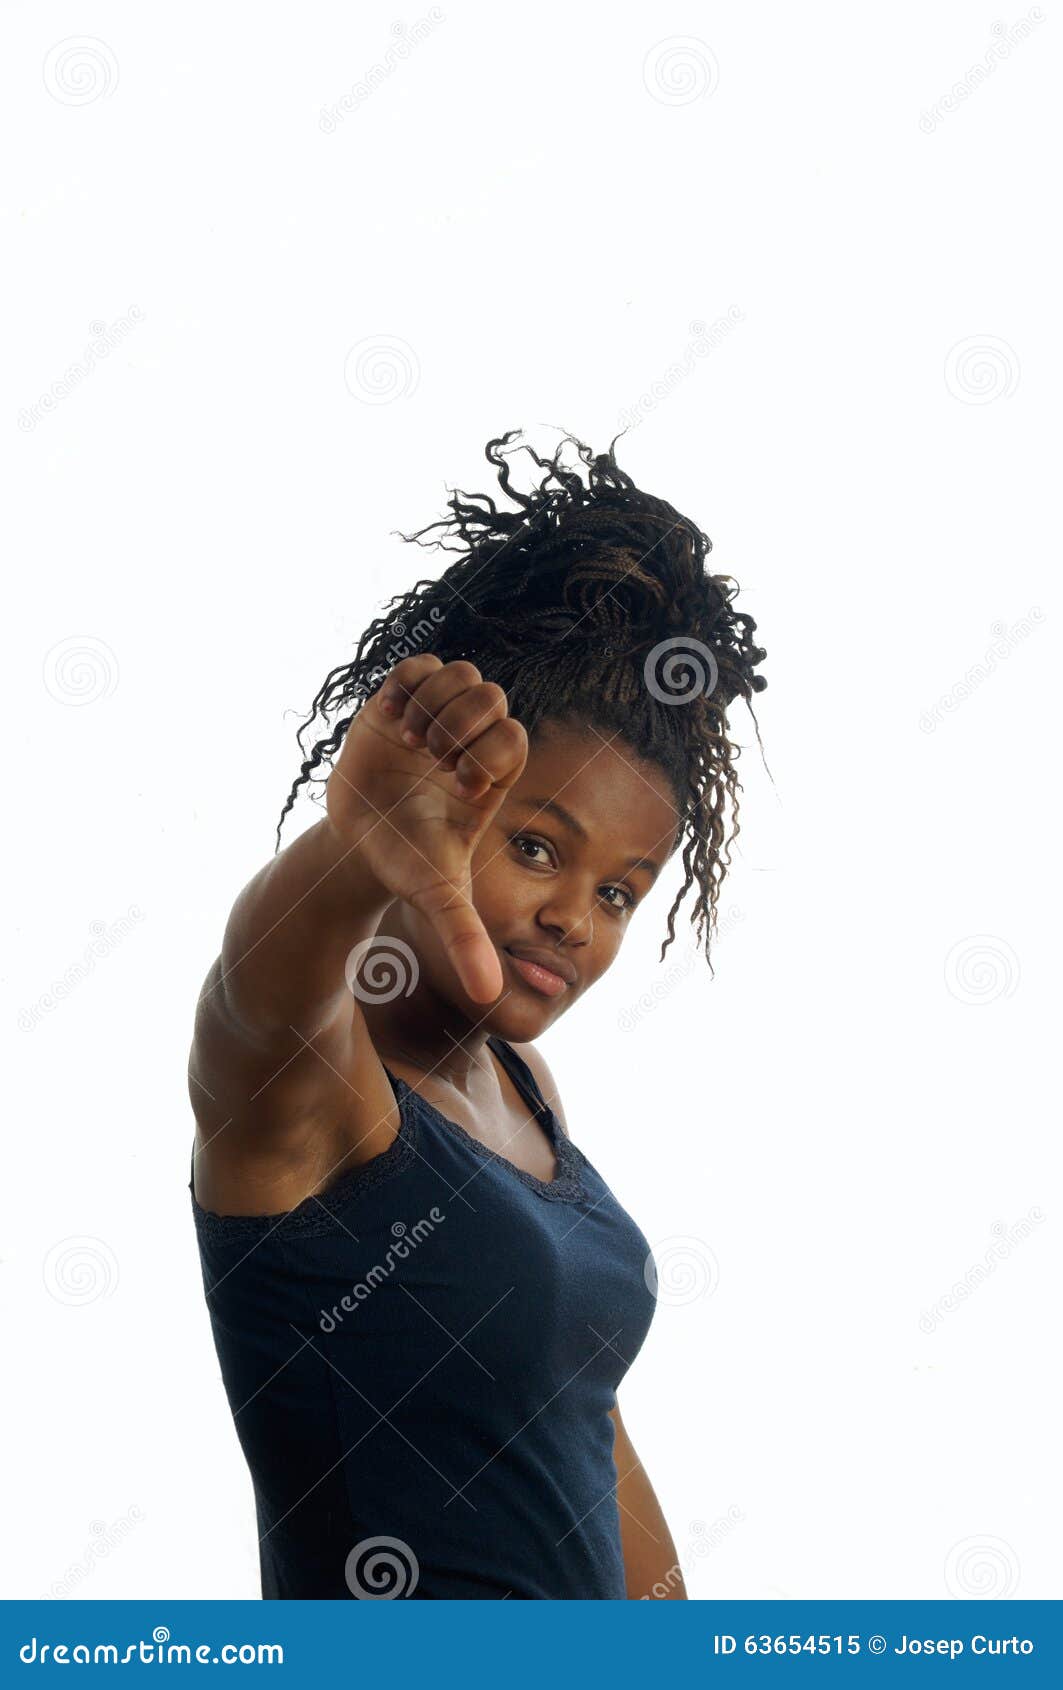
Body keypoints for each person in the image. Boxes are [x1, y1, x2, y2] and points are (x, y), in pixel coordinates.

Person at [187, 428, 768, 1599]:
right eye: (537, 847)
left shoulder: (524, 1090)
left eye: (615, 892)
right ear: (448, 815)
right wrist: (351, 859)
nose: (573, 917)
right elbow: (258, 1002)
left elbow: (582, 1417)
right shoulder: (318, 1105)